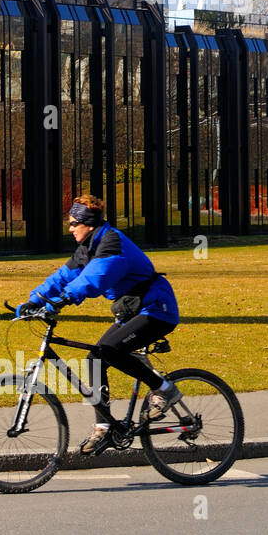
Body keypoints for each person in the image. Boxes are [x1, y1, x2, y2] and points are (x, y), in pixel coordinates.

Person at [18, 194, 181, 455]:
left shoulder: (111, 243)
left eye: (73, 224)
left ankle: (165, 389)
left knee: (109, 351)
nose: (70, 229)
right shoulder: (88, 247)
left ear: (88, 224)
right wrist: (34, 299)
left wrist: (63, 300)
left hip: (157, 310)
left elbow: (95, 278)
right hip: (133, 311)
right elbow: (64, 275)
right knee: (95, 357)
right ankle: (104, 426)